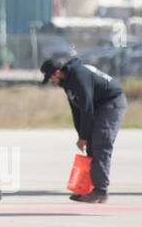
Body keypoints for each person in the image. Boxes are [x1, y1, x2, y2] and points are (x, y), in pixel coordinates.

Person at [41, 55, 126, 203]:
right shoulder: (67, 83)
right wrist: (82, 135)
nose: (51, 81)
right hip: (98, 105)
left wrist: (83, 137)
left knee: (101, 143)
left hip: (111, 102)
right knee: (91, 145)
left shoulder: (79, 76)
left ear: (57, 72)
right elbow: (77, 111)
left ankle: (101, 191)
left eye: (51, 77)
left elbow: (87, 108)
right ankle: (87, 189)